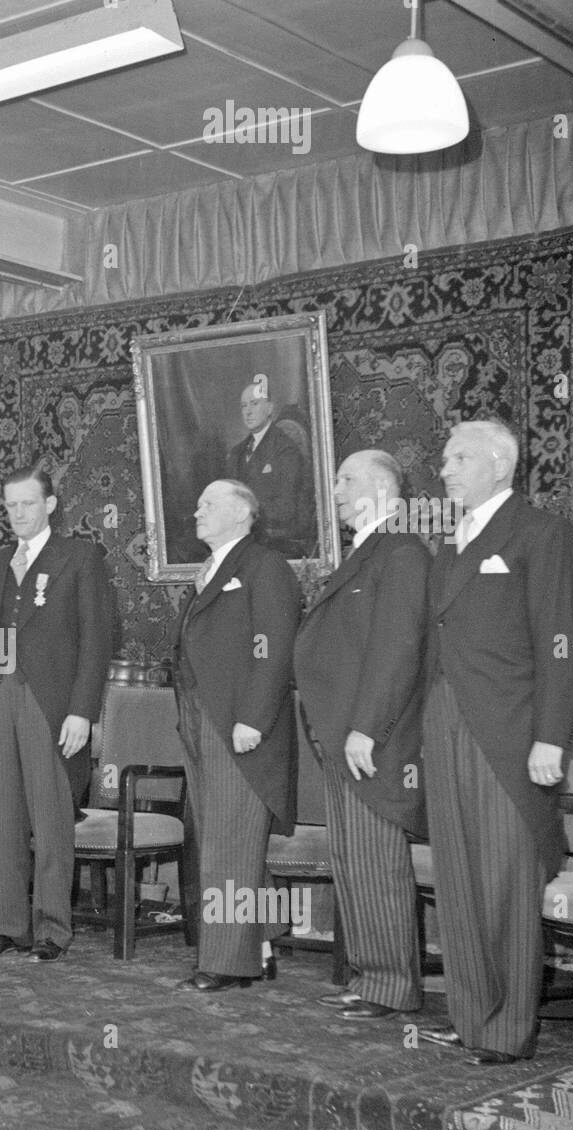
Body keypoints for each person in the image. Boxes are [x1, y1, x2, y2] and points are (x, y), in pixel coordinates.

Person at [419, 420, 573, 1065]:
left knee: (507, 881)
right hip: (446, 723)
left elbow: (561, 643)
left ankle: (509, 1027)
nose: (444, 469)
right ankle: (471, 1017)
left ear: (499, 463)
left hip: (508, 732)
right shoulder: (451, 545)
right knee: (458, 879)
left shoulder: (540, 533)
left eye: (458, 457)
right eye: (444, 458)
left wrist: (551, 736)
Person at [294, 450, 429, 1020]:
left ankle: (391, 985)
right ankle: (371, 977)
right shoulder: (371, 551)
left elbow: (396, 651)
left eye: (347, 479)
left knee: (376, 860)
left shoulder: (399, 551)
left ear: (381, 486)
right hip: (344, 736)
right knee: (354, 860)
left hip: (371, 740)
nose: (338, 489)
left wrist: (365, 729)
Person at [0, 466, 112, 962]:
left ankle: (52, 928)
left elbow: (97, 641)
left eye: (28, 503)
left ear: (50, 505)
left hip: (50, 703)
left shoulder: (80, 557)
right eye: (10, 506)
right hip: (0, 694)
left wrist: (83, 712)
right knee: (4, 818)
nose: (18, 514)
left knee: (51, 821)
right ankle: (9, 925)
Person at [173, 479, 299, 990]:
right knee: (225, 839)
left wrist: (253, 717)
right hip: (201, 720)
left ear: (243, 512)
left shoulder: (263, 567)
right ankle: (262, 944)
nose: (196, 511)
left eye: (208, 504)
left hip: (239, 727)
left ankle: (226, 962)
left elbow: (274, 646)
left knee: (228, 842)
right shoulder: (212, 570)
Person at [227, 377, 313, 557]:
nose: (248, 412)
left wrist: (244, 512)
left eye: (254, 404)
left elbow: (286, 508)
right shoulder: (236, 453)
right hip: (242, 538)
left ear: (269, 408)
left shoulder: (285, 449)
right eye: (244, 406)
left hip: (273, 542)